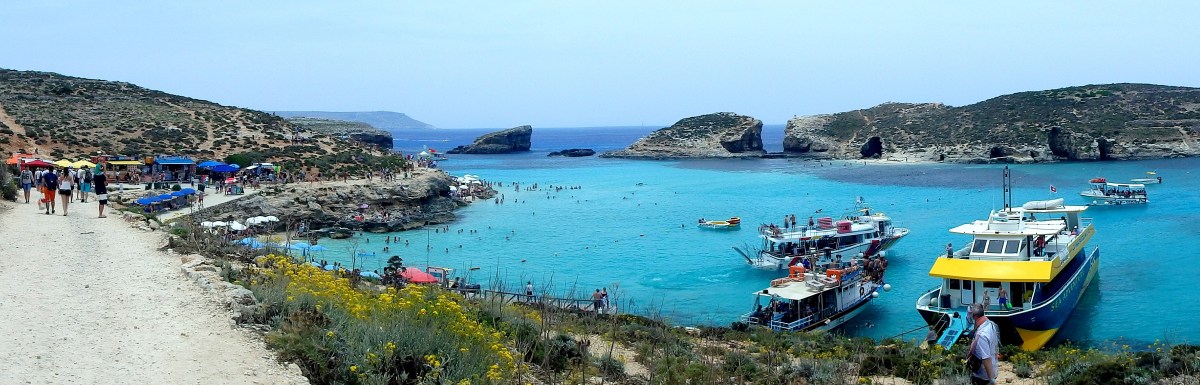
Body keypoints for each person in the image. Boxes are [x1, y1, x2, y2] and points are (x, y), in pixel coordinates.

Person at [968, 304, 1000, 385]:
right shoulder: (990, 324)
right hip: (993, 367)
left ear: (974, 316)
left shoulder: (982, 335)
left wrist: (991, 380)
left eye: (969, 314)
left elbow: (986, 358)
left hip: (983, 375)